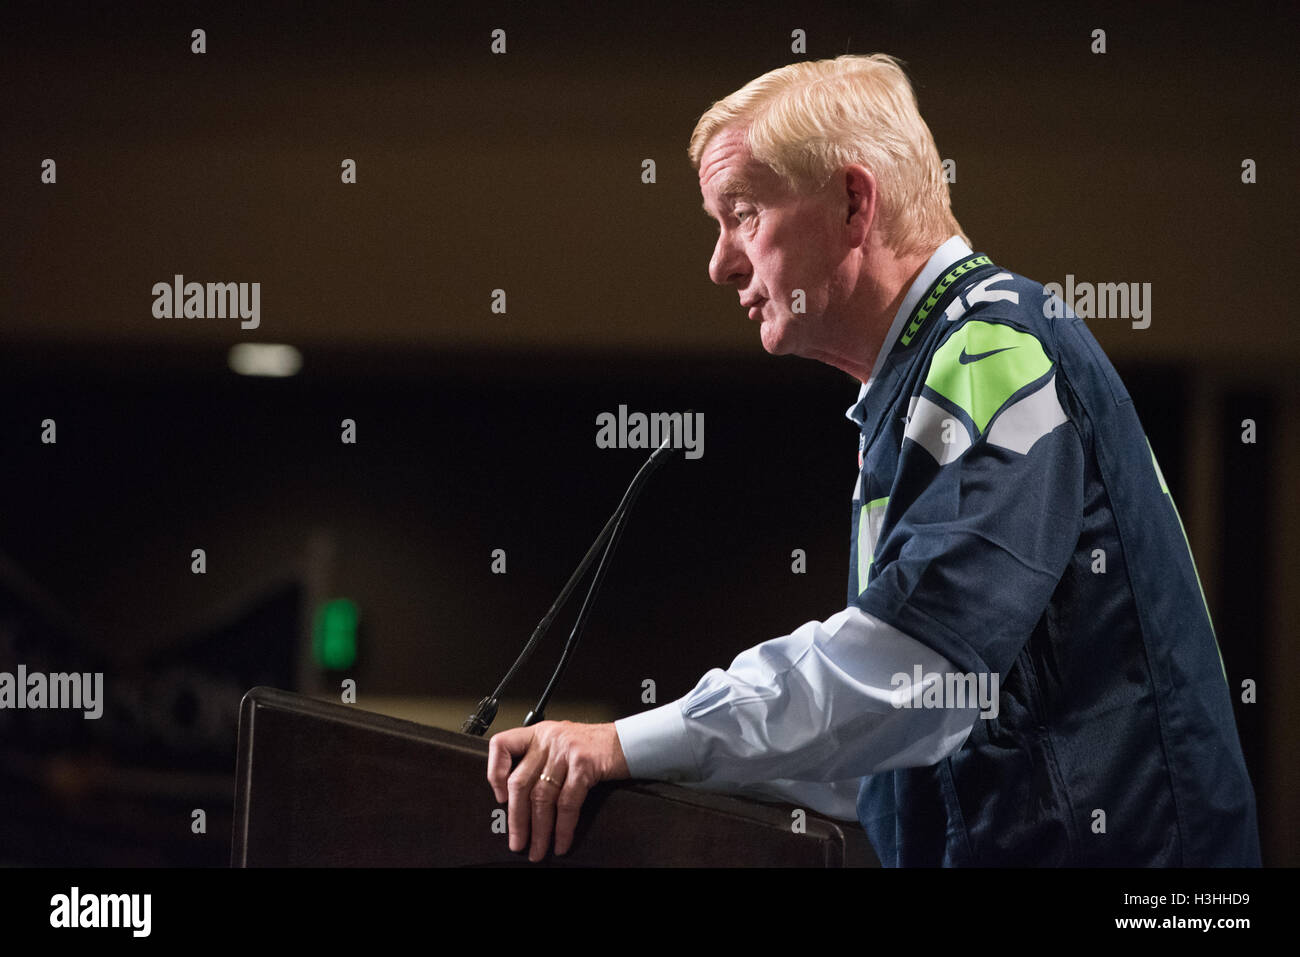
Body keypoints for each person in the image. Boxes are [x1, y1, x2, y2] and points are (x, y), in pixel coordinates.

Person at [486, 53, 1261, 866]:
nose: (720, 262)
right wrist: (663, 758)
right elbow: (900, 749)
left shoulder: (991, 348)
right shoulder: (931, 371)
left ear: (855, 202)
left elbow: (912, 674)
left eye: (742, 212)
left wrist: (626, 742)